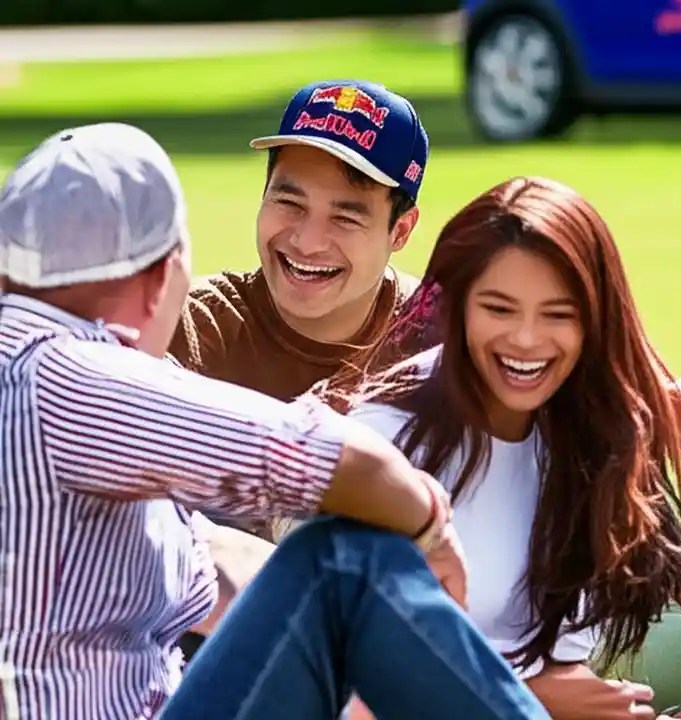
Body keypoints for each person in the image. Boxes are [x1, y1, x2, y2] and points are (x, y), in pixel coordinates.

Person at [0, 122, 548, 720]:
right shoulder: (65, 375)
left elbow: (213, 576)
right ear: (163, 280)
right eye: (289, 201)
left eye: (346, 215)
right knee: (347, 560)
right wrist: (429, 532)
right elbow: (326, 458)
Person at [324, 176, 681, 720]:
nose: (527, 341)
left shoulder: (593, 434)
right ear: (458, 306)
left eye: (558, 314)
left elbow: (560, 669)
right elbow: (350, 679)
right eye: (499, 309)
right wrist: (529, 695)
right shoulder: (385, 440)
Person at [168, 78, 425, 405]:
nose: (307, 242)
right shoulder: (186, 331)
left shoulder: (440, 343)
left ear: (400, 231)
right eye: (290, 204)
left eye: (345, 218)